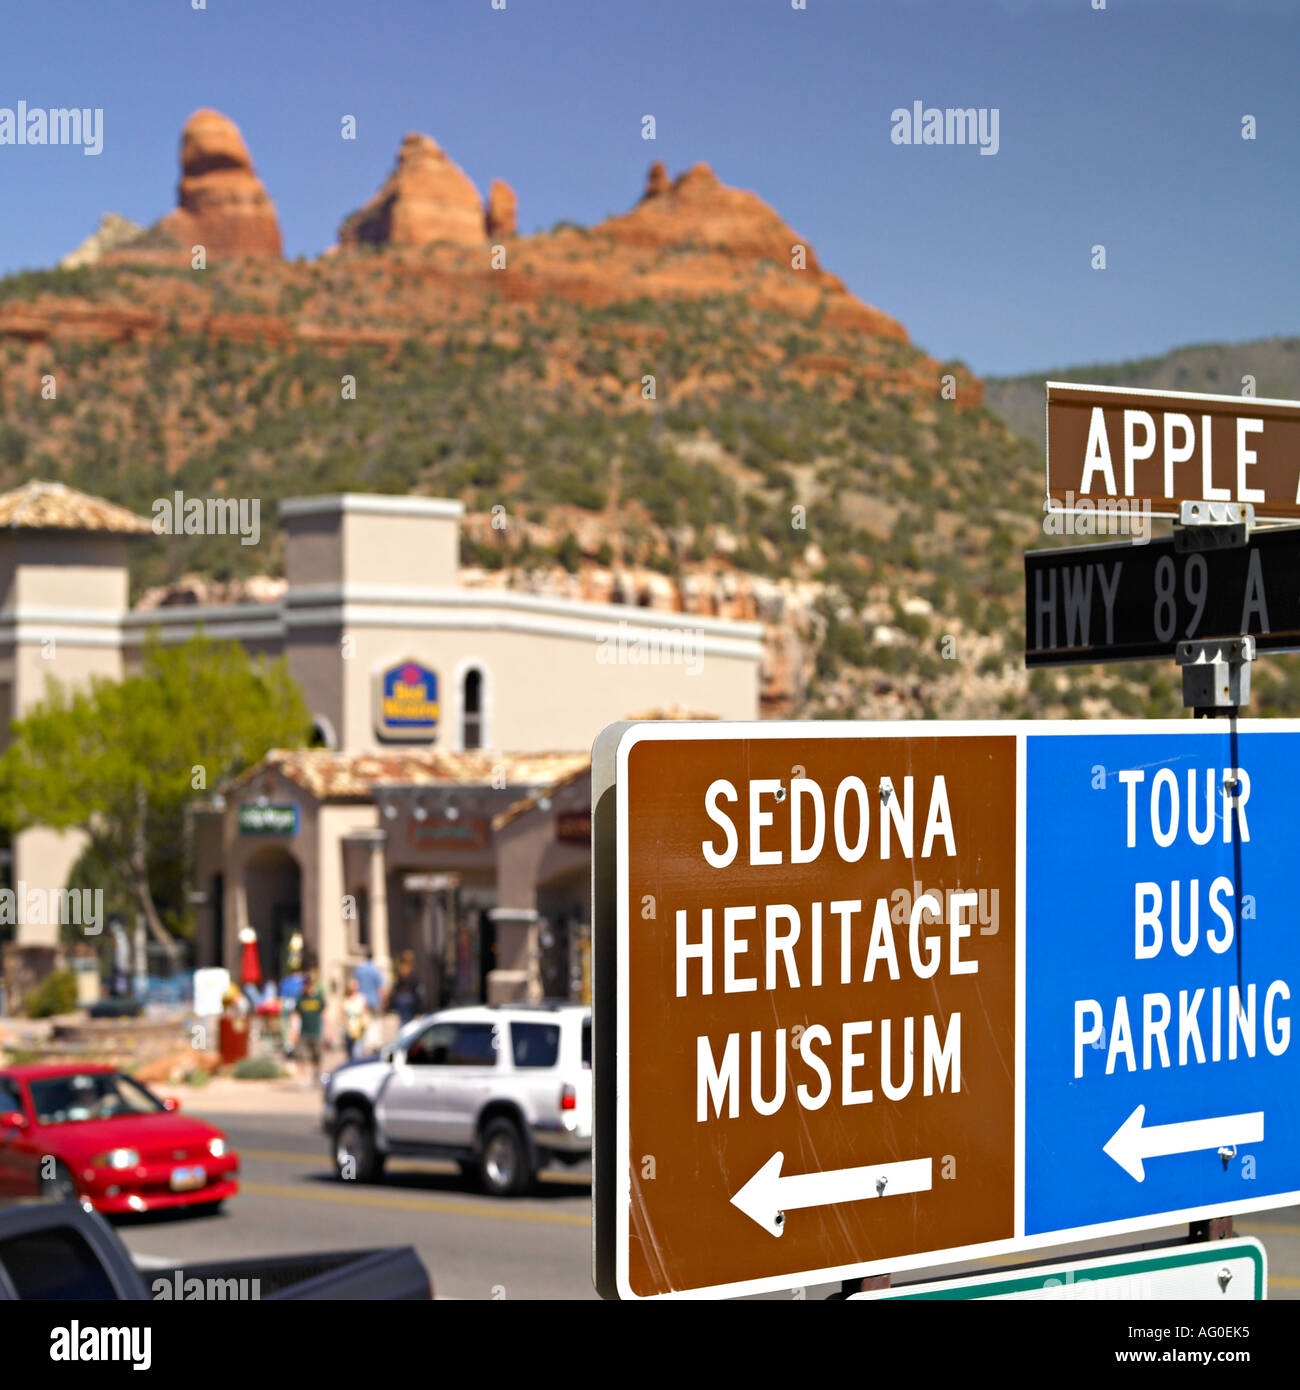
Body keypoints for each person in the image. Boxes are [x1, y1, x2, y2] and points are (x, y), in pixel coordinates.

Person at [293, 969, 326, 1082]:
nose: (306, 987)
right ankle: (304, 1078)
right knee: (301, 1056)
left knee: (316, 1056)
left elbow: (324, 1014)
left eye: (308, 984)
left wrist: (328, 1030)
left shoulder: (318, 998)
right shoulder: (300, 998)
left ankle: (316, 1076)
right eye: (305, 984)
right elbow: (295, 1015)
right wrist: (293, 1031)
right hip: (303, 1031)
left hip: (315, 1031)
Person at [387, 950, 427, 1028]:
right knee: (409, 1022)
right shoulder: (412, 972)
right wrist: (420, 1008)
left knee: (403, 1020)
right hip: (409, 999)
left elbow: (395, 986)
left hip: (400, 999)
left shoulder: (399, 970)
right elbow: (417, 989)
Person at [342, 976, 372, 1060]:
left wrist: (364, 1024)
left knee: (356, 1054)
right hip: (348, 1030)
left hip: (358, 1030)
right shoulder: (345, 1000)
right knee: (349, 1055)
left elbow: (365, 1013)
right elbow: (341, 1015)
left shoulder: (361, 999)